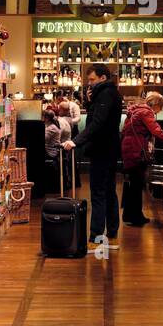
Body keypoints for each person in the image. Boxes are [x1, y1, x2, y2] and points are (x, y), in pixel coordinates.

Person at [62, 64, 122, 243]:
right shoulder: (110, 93)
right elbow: (99, 118)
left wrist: (76, 141)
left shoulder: (105, 94)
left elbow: (97, 123)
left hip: (101, 149)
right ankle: (112, 229)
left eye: (92, 80)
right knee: (109, 190)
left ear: (103, 78)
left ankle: (96, 233)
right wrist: (89, 102)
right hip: (110, 148)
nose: (89, 83)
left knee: (98, 192)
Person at [119, 91, 163, 227]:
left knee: (132, 183)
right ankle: (135, 217)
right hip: (136, 150)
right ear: (156, 104)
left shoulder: (135, 110)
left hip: (128, 149)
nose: (160, 110)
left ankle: (130, 214)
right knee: (137, 184)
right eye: (161, 107)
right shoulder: (146, 112)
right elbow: (157, 131)